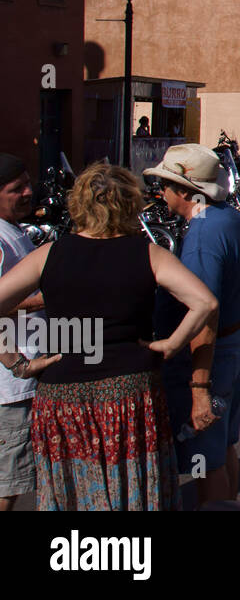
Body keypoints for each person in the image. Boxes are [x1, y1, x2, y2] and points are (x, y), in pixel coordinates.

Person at [0, 162, 217, 511]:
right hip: (129, 392)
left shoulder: (50, 254)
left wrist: (19, 365)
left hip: (62, 395)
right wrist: (171, 345)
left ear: (79, 204)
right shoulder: (148, 253)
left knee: (73, 491)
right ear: (130, 203)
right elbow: (205, 302)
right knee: (130, 483)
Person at [147, 144, 240, 507]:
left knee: (204, 460)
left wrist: (199, 389)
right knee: (224, 446)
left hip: (212, 355)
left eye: (165, 184)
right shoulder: (231, 217)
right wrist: (234, 299)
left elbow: (202, 315)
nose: (160, 192)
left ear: (185, 190)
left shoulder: (201, 234)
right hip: (234, 341)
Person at [0, 154, 52, 511]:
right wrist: (18, 364)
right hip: (11, 384)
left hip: (23, 375)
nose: (28, 193)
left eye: (27, 184)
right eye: (16, 189)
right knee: (8, 484)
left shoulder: (12, 230)